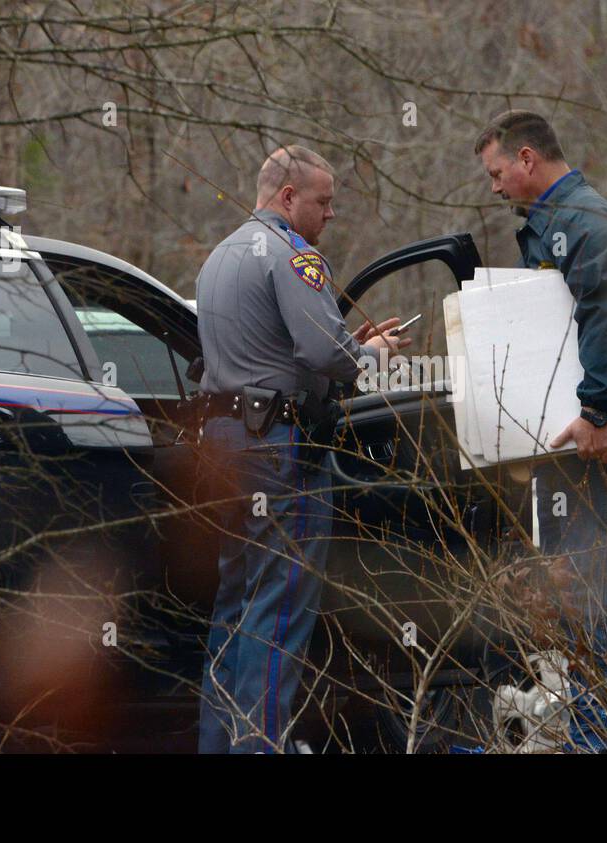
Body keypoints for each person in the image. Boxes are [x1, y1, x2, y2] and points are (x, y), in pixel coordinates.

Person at [194, 145, 409, 753]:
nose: (331, 213)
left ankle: (220, 745)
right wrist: (373, 354)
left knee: (234, 608)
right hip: (278, 448)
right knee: (278, 610)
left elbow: (268, 349)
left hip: (224, 444)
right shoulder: (295, 255)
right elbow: (324, 355)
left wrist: (344, 343)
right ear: (289, 197)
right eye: (324, 201)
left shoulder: (220, 256)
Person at [474, 110, 607, 751]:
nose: (495, 187)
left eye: (497, 172)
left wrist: (596, 410)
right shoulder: (553, 222)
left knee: (598, 598)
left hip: (589, 447)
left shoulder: (583, 222)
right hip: (565, 452)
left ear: (527, 158)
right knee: (579, 598)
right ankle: (594, 734)